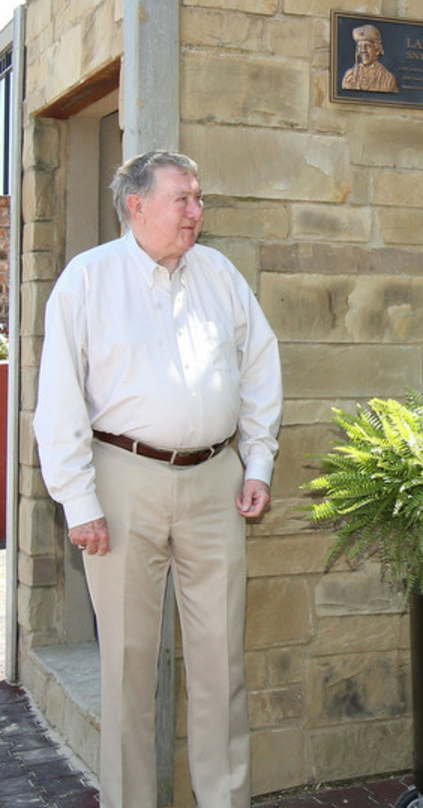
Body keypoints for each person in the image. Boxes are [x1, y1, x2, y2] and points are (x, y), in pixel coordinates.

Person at [33, 151, 283, 808]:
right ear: (137, 206)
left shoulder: (220, 276)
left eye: (200, 199)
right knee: (127, 668)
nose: (197, 213)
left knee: (220, 666)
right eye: (183, 199)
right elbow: (56, 400)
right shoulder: (87, 282)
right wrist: (77, 500)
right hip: (120, 485)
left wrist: (257, 461)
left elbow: (260, 366)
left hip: (214, 486)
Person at [341, 23, 400, 93]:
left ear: (377, 49)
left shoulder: (387, 79)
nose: (363, 50)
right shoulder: (349, 76)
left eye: (367, 46)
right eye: (360, 46)